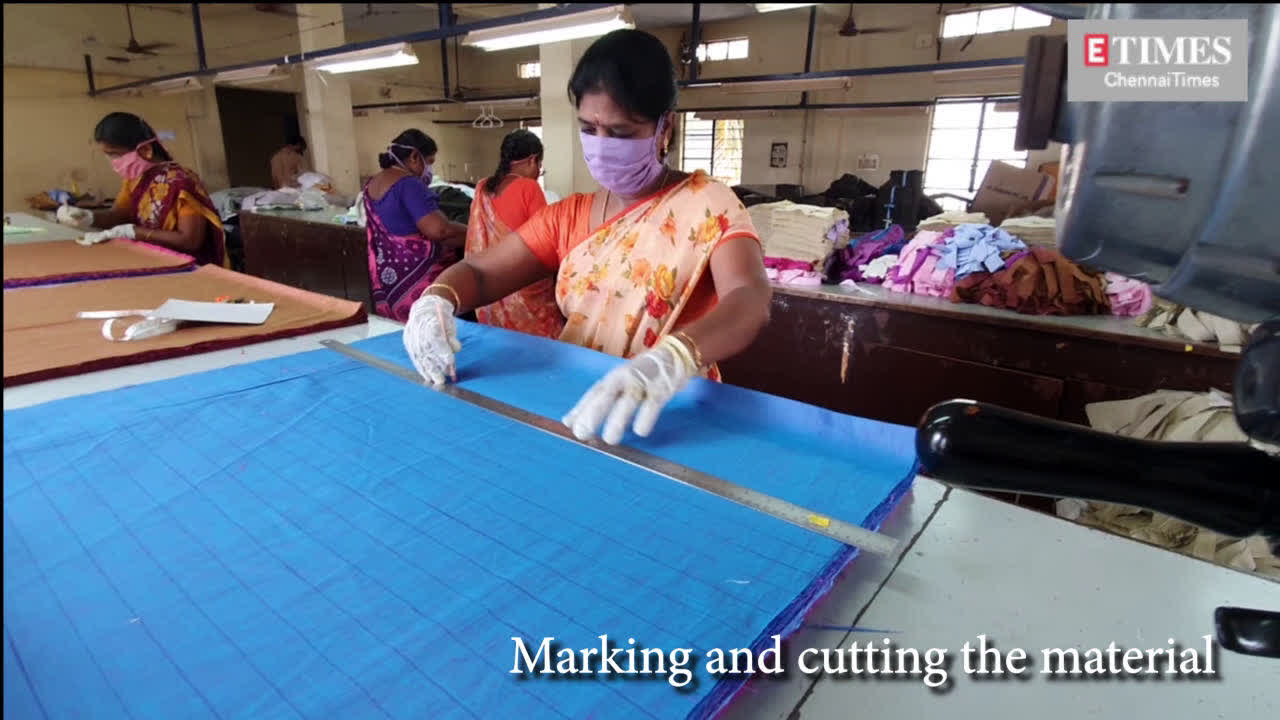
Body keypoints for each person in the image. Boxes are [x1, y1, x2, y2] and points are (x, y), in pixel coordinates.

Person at [403, 29, 772, 445]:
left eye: (620, 132)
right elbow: (481, 272)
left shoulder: (709, 205)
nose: (601, 145)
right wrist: (436, 300)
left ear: (664, 126)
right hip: (579, 405)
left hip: (669, 415)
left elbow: (750, 298)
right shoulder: (569, 215)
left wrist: (675, 357)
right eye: (588, 128)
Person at [56, 112, 225, 266]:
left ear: (145, 150)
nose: (113, 161)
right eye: (108, 155)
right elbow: (119, 216)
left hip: (187, 265)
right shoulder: (135, 180)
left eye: (115, 154)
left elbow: (190, 240)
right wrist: (88, 217)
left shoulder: (182, 183)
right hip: (150, 259)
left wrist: (133, 232)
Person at [465, 129, 565, 339]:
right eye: (539, 165)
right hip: (522, 288)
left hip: (489, 286)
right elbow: (543, 241)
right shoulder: (529, 187)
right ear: (532, 160)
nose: (538, 172)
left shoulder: (483, 187)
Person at [363, 129, 468, 322]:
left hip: (390, 280)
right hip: (418, 278)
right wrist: (473, 232)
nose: (429, 170)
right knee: (430, 328)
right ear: (414, 157)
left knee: (402, 332)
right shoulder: (409, 184)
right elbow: (439, 229)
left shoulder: (372, 184)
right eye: (429, 162)